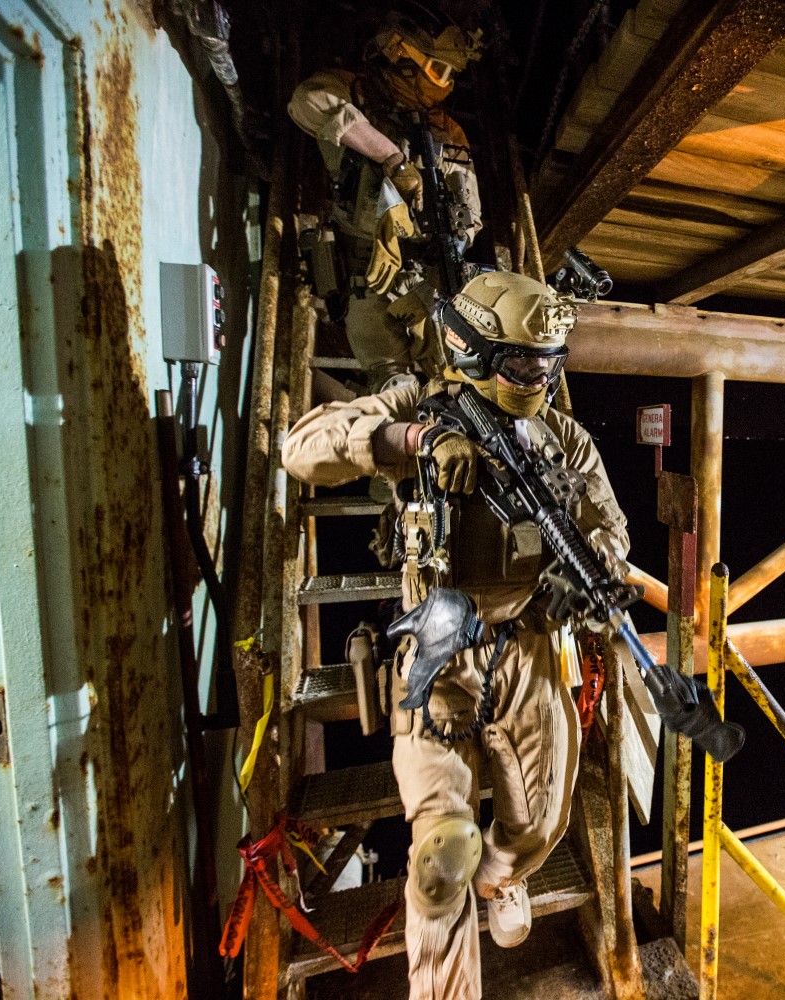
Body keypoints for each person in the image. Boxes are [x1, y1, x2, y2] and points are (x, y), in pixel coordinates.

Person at [282, 272, 628, 1000]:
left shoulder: (562, 437)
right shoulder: (420, 403)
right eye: (521, 364)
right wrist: (412, 439)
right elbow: (302, 448)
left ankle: (500, 878)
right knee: (441, 857)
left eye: (549, 364)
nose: (538, 379)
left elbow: (609, 528)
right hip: (437, 655)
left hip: (529, 648)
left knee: (539, 825)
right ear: (476, 352)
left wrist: (590, 573)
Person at [288, 10, 484, 393]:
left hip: (425, 278)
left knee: (461, 383)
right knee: (393, 383)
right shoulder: (357, 93)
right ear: (400, 53)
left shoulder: (447, 129)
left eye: (450, 76)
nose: (443, 84)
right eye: (438, 70)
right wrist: (392, 158)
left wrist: (456, 242)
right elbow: (306, 101)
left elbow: (469, 212)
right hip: (365, 273)